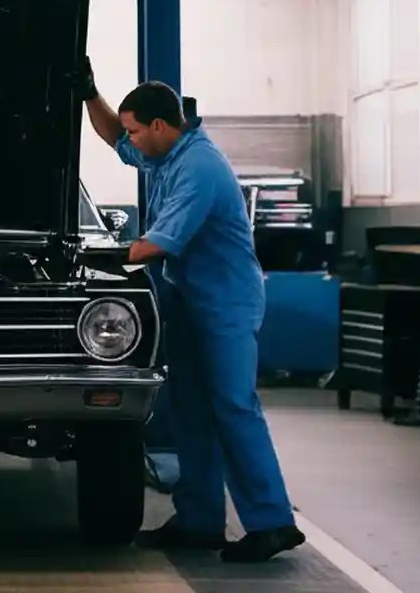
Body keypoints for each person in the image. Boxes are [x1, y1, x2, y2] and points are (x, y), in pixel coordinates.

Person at [75, 58, 305, 563]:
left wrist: (95, 254)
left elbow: (158, 243)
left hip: (225, 304)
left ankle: (272, 523)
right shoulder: (163, 153)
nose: (130, 140)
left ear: (159, 125)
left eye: (137, 131)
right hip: (187, 301)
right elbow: (115, 136)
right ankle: (200, 522)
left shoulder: (199, 166)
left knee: (234, 407)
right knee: (191, 412)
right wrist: (90, 93)